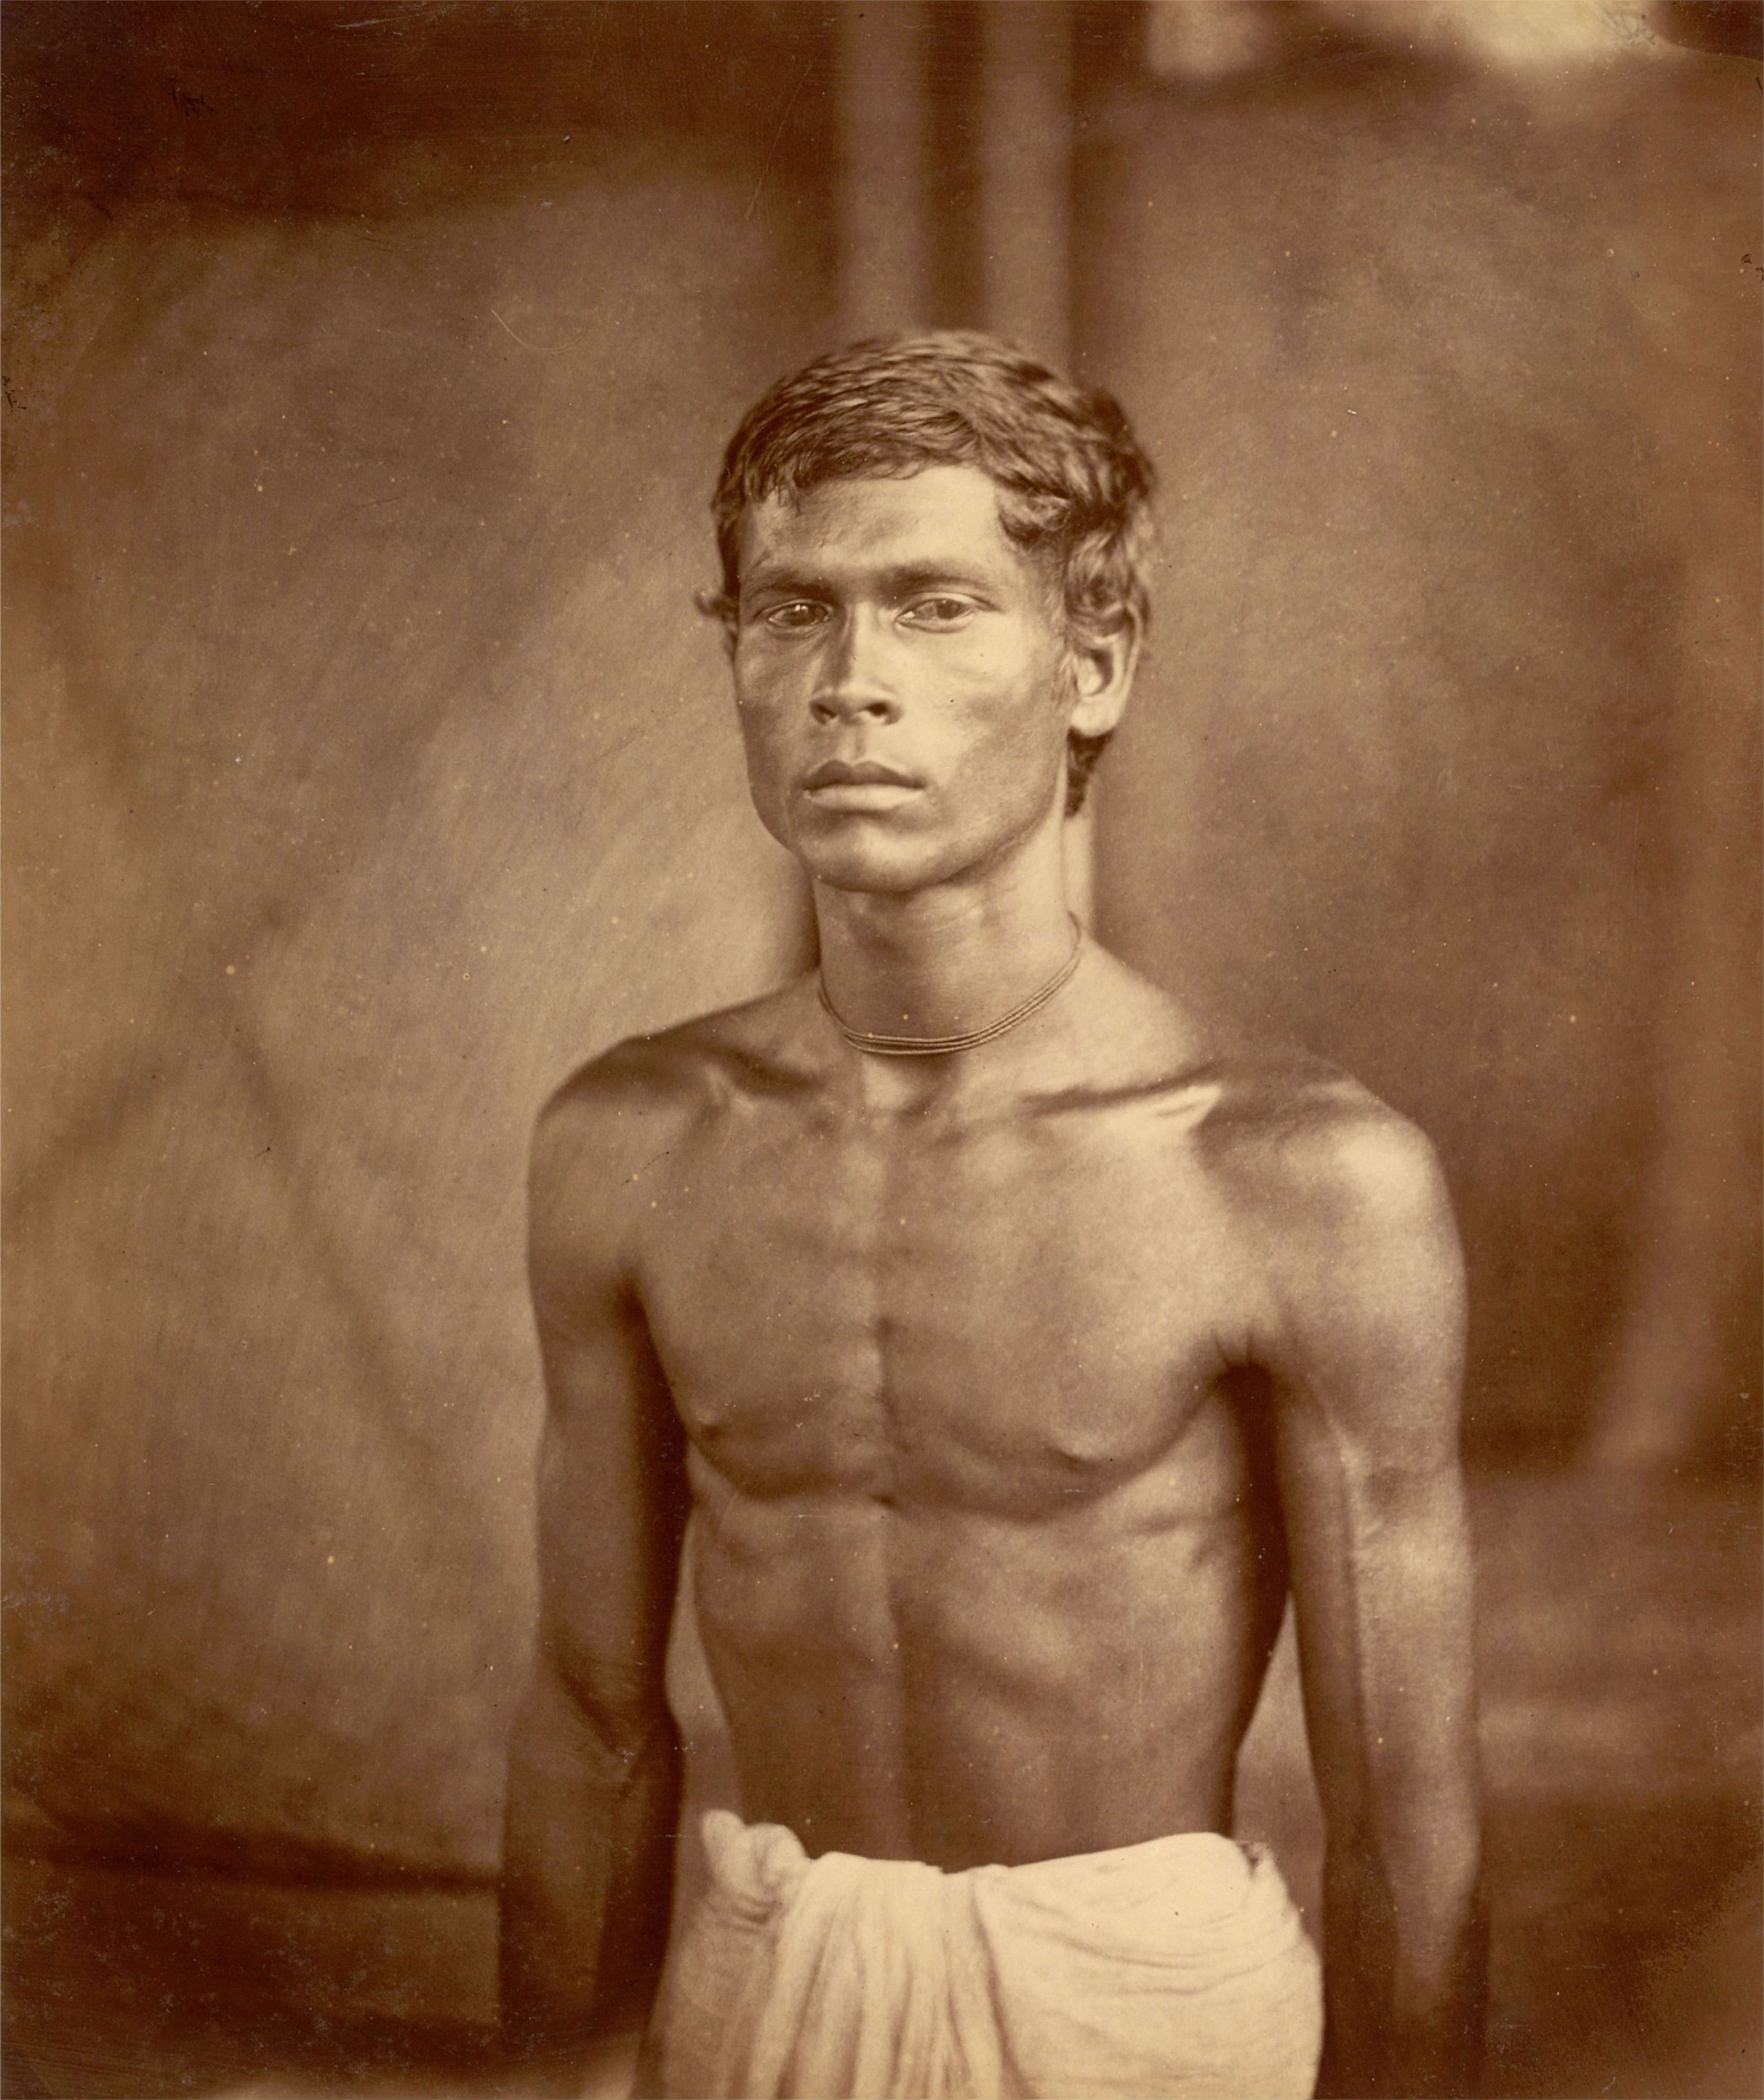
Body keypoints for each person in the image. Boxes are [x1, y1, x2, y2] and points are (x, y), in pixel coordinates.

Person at [499, 333, 1483, 2099]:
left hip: (1150, 2020)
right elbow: (590, 1731)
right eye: (787, 612)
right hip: (759, 2003)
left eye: (934, 605)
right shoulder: (628, 1140)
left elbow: (1402, 1817)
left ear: (1091, 663)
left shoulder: (1290, 1171)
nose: (847, 680)